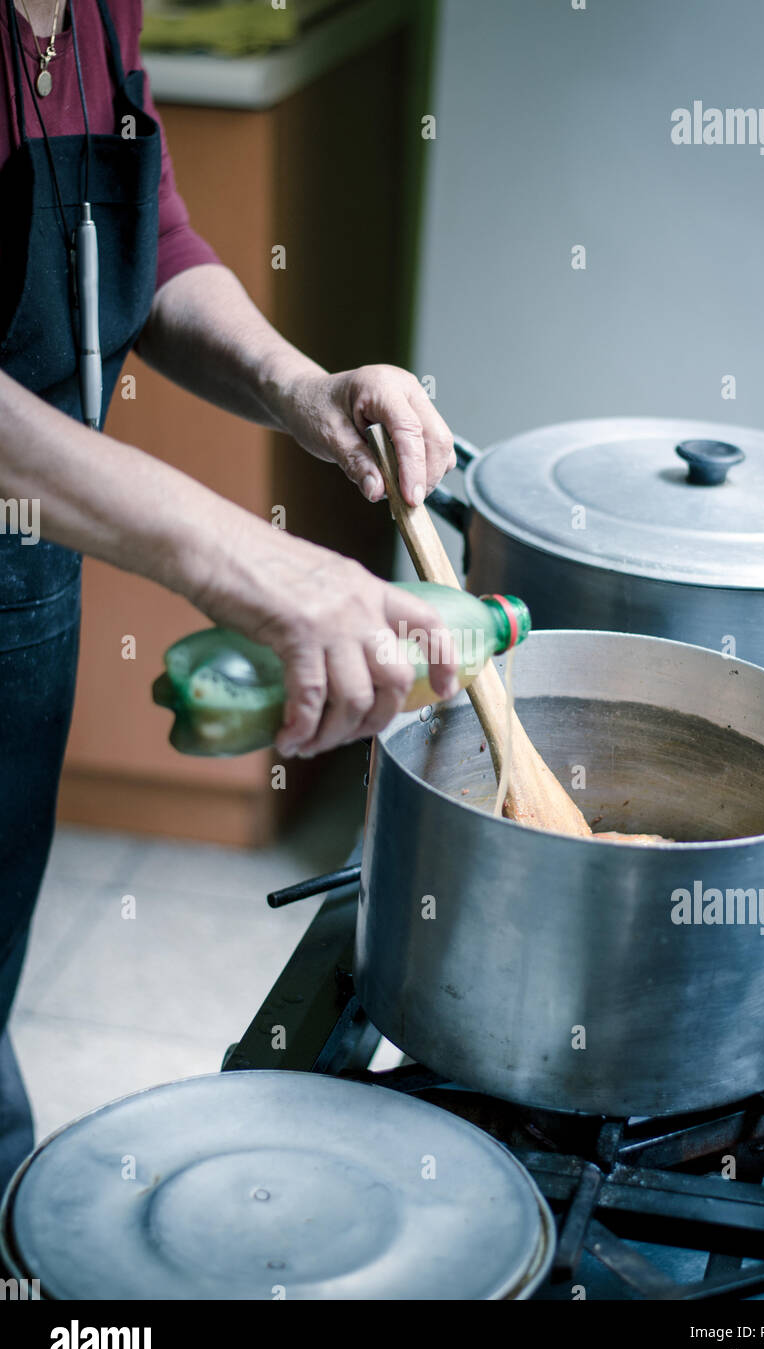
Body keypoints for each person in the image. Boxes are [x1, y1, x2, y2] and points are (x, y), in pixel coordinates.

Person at [0, 0, 460, 1191]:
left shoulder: (96, 9)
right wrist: (240, 557)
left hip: (22, 571)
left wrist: (303, 387)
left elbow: (140, 237)